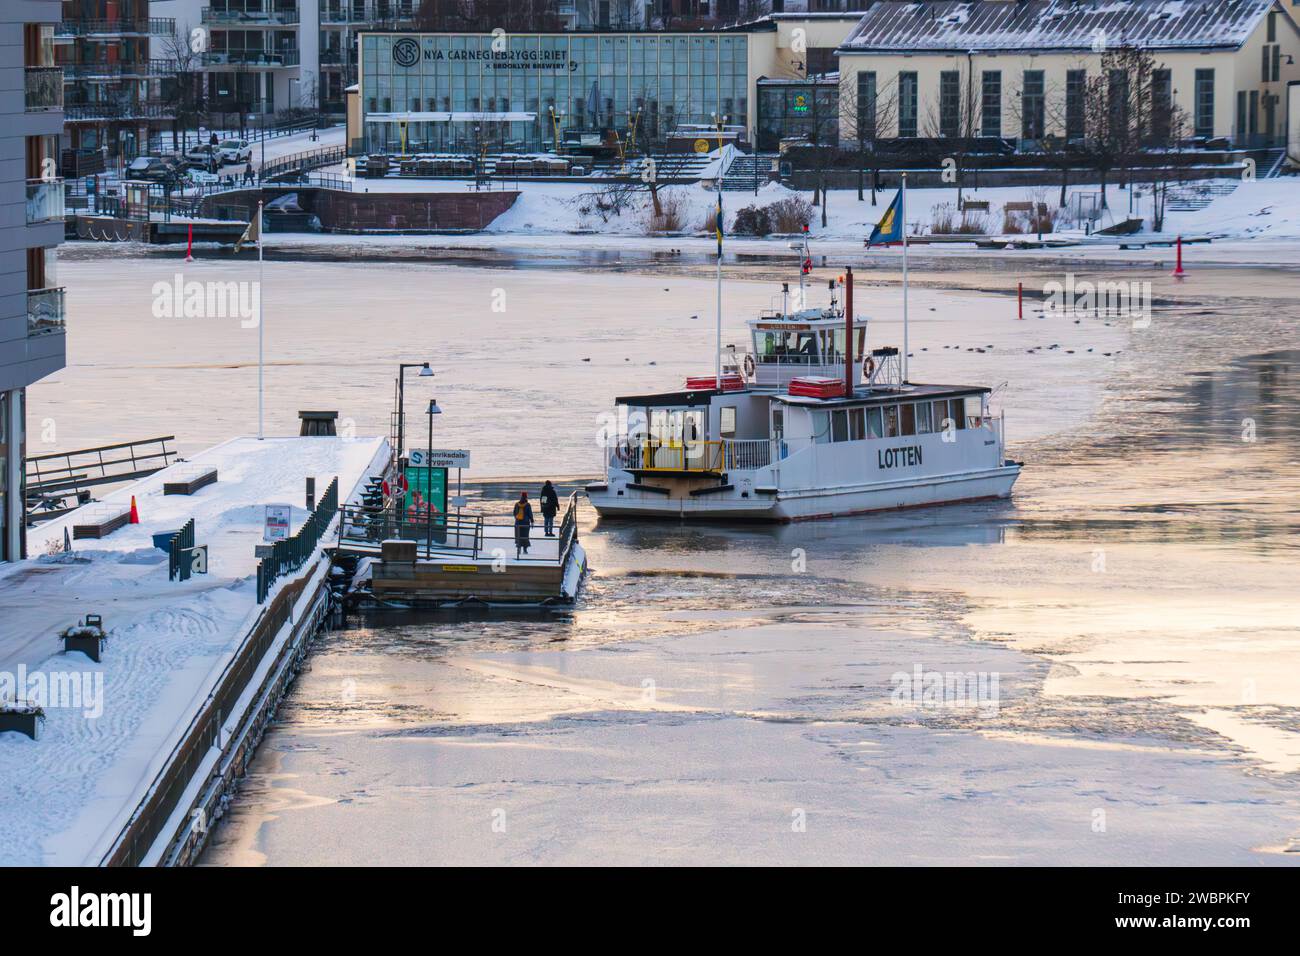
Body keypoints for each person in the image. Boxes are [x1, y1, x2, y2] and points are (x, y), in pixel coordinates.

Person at [513, 491, 534, 556]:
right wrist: (532, 521)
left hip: (518, 523)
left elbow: (514, 513)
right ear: (526, 497)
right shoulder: (527, 505)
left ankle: (519, 548)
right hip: (525, 523)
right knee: (525, 536)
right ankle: (525, 550)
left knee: (518, 535)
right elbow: (530, 514)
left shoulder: (516, 504)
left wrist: (517, 518)